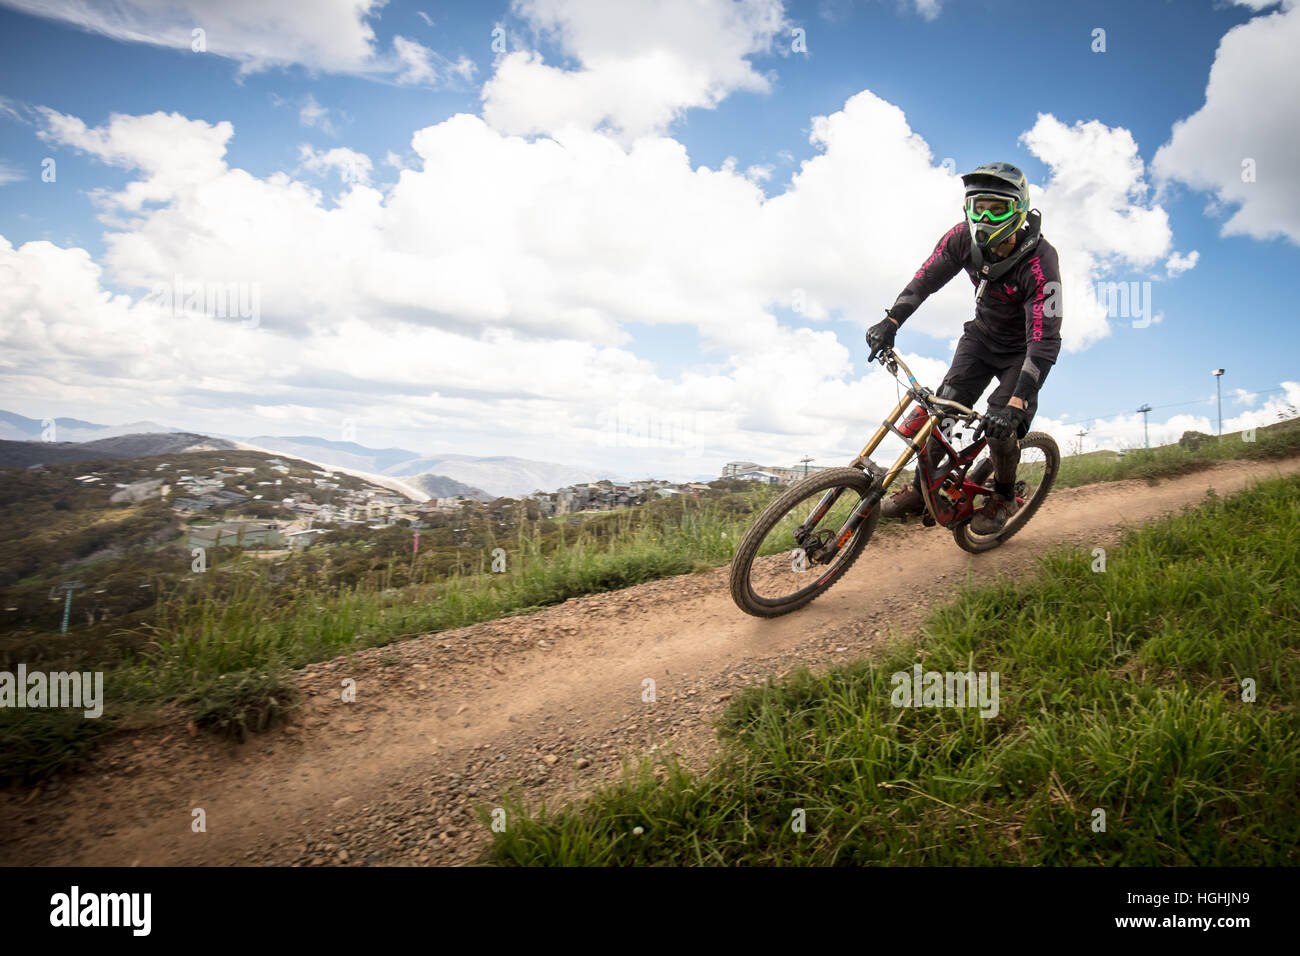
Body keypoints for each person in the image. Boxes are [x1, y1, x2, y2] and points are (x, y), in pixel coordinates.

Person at [866, 161, 1062, 533]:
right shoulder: (960, 239)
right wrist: (891, 322)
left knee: (1000, 429)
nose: (986, 217)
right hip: (981, 338)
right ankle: (924, 488)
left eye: (998, 208)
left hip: (1025, 353)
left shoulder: (1041, 260)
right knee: (942, 410)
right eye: (978, 206)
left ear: (1019, 209)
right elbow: (924, 281)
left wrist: (1018, 403)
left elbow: (1045, 335)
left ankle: (1003, 495)